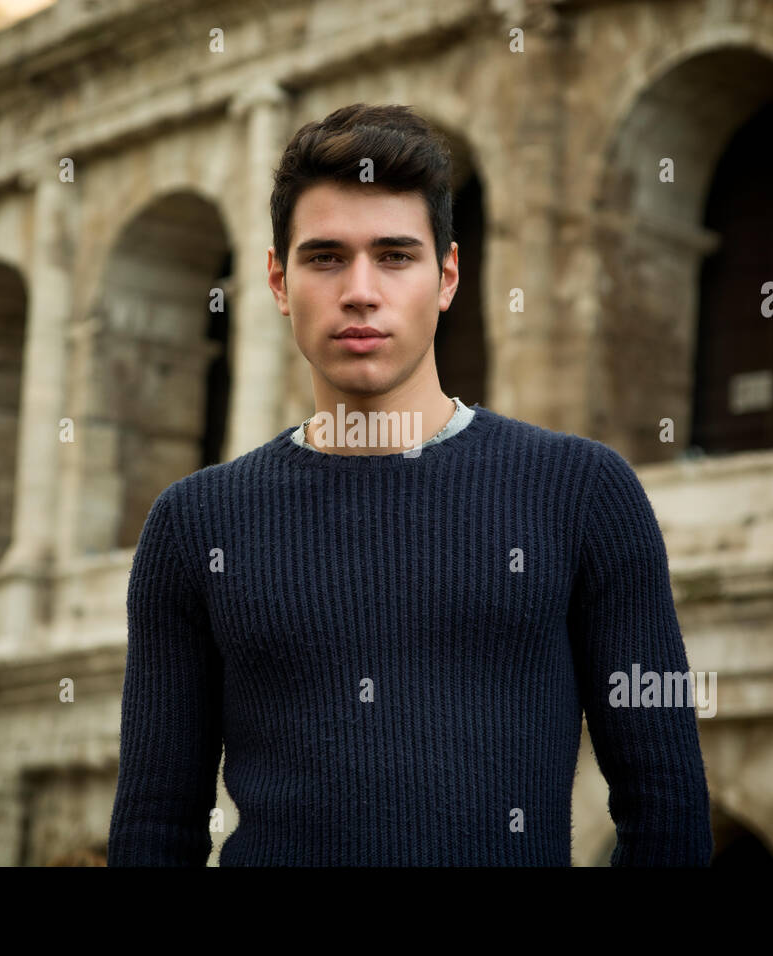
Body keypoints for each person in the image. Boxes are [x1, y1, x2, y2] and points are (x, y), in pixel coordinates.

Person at [108, 102, 713, 866]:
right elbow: (153, 831)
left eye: (395, 255)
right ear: (277, 280)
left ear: (448, 275)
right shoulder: (194, 525)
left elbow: (669, 814)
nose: (361, 290)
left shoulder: (583, 493)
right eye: (325, 257)